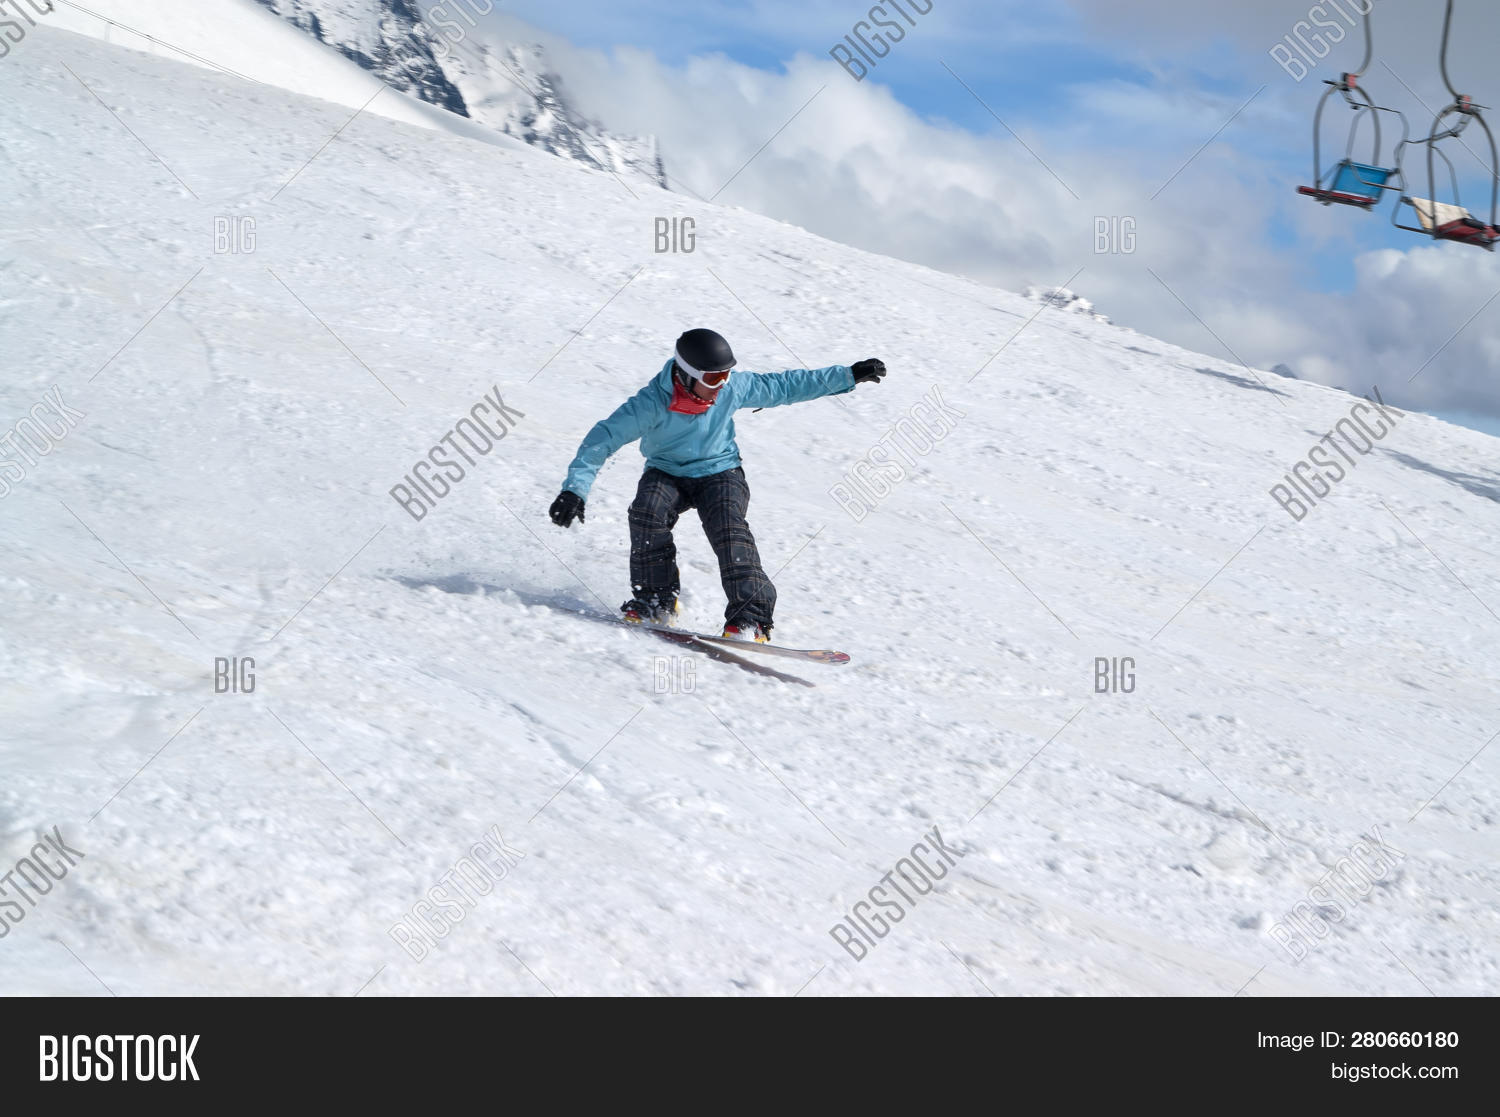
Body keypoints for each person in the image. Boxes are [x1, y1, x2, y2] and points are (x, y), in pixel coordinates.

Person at [549, 328, 887, 642]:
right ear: (686, 374)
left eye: (725, 375)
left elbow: (785, 386)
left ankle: (750, 618)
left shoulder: (730, 389)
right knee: (646, 513)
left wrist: (848, 376)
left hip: (721, 472)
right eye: (713, 377)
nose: (721, 384)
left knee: (728, 526)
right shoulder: (650, 403)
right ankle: (655, 600)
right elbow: (601, 440)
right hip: (666, 472)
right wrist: (574, 489)